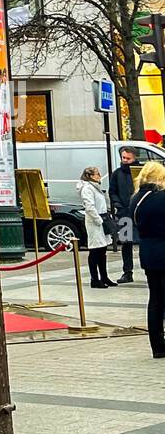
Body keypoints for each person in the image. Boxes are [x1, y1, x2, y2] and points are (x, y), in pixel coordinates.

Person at [130, 161, 165, 358]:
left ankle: (157, 345)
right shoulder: (161, 198)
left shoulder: (136, 198)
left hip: (148, 252)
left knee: (155, 299)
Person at [77, 167, 114, 288]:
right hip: (95, 221)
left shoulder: (95, 187)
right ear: (91, 176)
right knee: (95, 250)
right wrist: (98, 220)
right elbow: (89, 206)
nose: (99, 175)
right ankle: (94, 279)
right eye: (97, 174)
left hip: (102, 218)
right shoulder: (87, 188)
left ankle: (104, 277)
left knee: (102, 250)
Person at [109, 146, 140, 284]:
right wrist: (118, 205)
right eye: (123, 158)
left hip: (140, 214)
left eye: (128, 158)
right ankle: (127, 272)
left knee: (144, 242)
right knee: (126, 243)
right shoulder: (116, 174)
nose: (125, 161)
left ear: (135, 158)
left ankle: (149, 270)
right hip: (124, 214)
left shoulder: (140, 172)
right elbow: (112, 191)